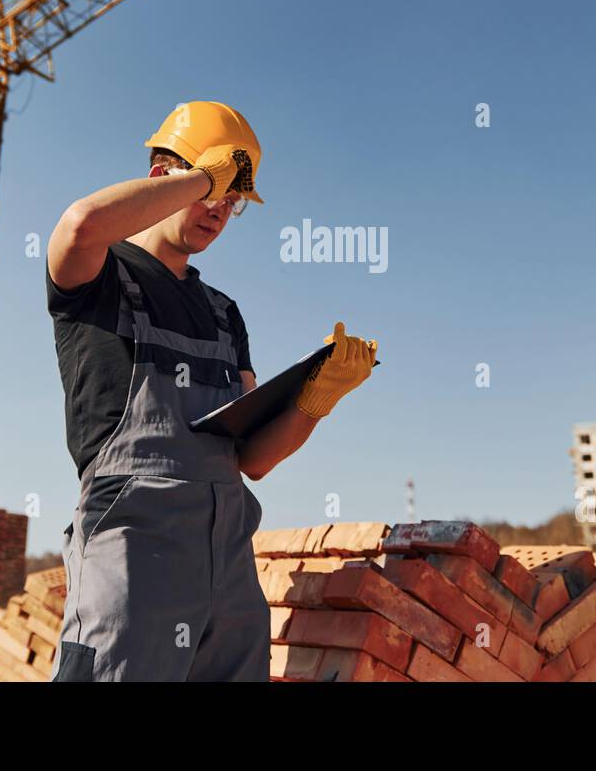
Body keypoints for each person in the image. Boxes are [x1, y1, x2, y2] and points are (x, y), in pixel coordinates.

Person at [45, 100, 377, 681]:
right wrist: (201, 177)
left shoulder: (224, 314)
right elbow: (80, 223)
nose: (222, 208)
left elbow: (253, 459)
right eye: (217, 188)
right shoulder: (98, 275)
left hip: (227, 559)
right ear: (161, 178)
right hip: (134, 548)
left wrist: (318, 399)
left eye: (234, 199)